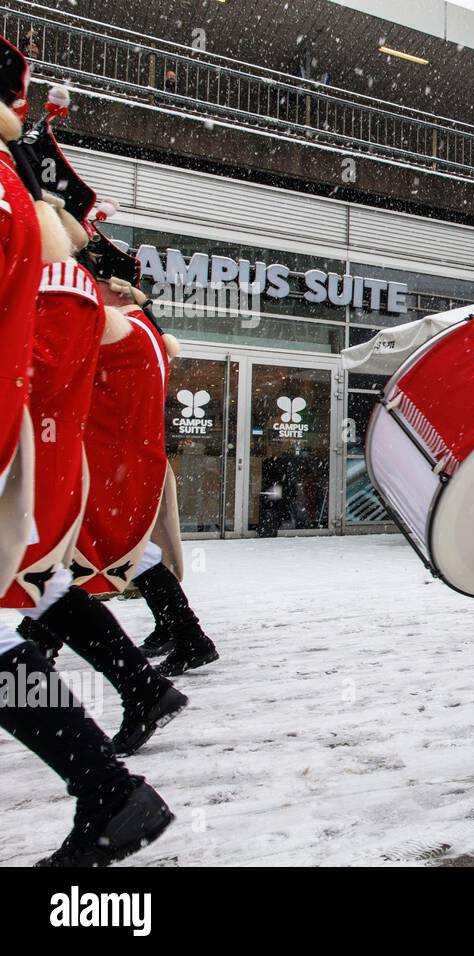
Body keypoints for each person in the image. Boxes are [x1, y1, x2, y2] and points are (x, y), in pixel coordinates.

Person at [0, 36, 173, 866]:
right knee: (33, 608)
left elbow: (40, 387)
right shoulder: (62, 271)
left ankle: (113, 776)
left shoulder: (64, 282)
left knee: (26, 613)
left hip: (33, 475)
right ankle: (137, 708)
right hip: (36, 473)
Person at [71, 227, 221, 675]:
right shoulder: (143, 330)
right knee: (129, 554)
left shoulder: (121, 333)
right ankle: (180, 632)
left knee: (98, 557)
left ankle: (38, 643)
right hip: (127, 461)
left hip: (114, 464)